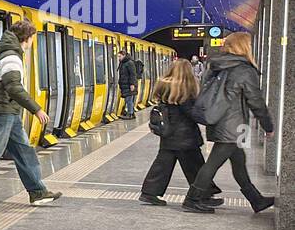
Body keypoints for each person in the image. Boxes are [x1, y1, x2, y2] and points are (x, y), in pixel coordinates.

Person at [0, 19, 60, 206]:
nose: (33, 42)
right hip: (2, 111)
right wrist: (36, 109)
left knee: (24, 151)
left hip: (9, 111)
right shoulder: (12, 57)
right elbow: (13, 86)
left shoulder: (10, 54)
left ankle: (38, 191)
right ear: (28, 37)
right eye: (33, 38)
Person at [183, 31, 275, 214]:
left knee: (239, 161)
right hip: (234, 125)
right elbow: (255, 101)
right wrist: (268, 126)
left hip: (221, 121)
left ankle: (256, 200)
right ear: (244, 47)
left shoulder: (216, 66)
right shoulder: (244, 70)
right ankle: (192, 199)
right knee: (214, 163)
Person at [139, 60, 219, 206]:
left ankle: (149, 192)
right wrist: (211, 120)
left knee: (163, 165)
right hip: (184, 136)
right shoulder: (185, 89)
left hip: (168, 132)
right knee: (195, 165)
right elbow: (192, 113)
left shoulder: (164, 85)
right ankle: (203, 194)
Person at [116, 50, 138, 119]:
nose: (119, 58)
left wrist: (132, 84)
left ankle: (130, 114)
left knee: (129, 100)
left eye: (120, 56)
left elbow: (133, 74)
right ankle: (132, 114)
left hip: (128, 85)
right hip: (125, 85)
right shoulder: (123, 63)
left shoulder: (129, 63)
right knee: (128, 99)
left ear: (124, 55)